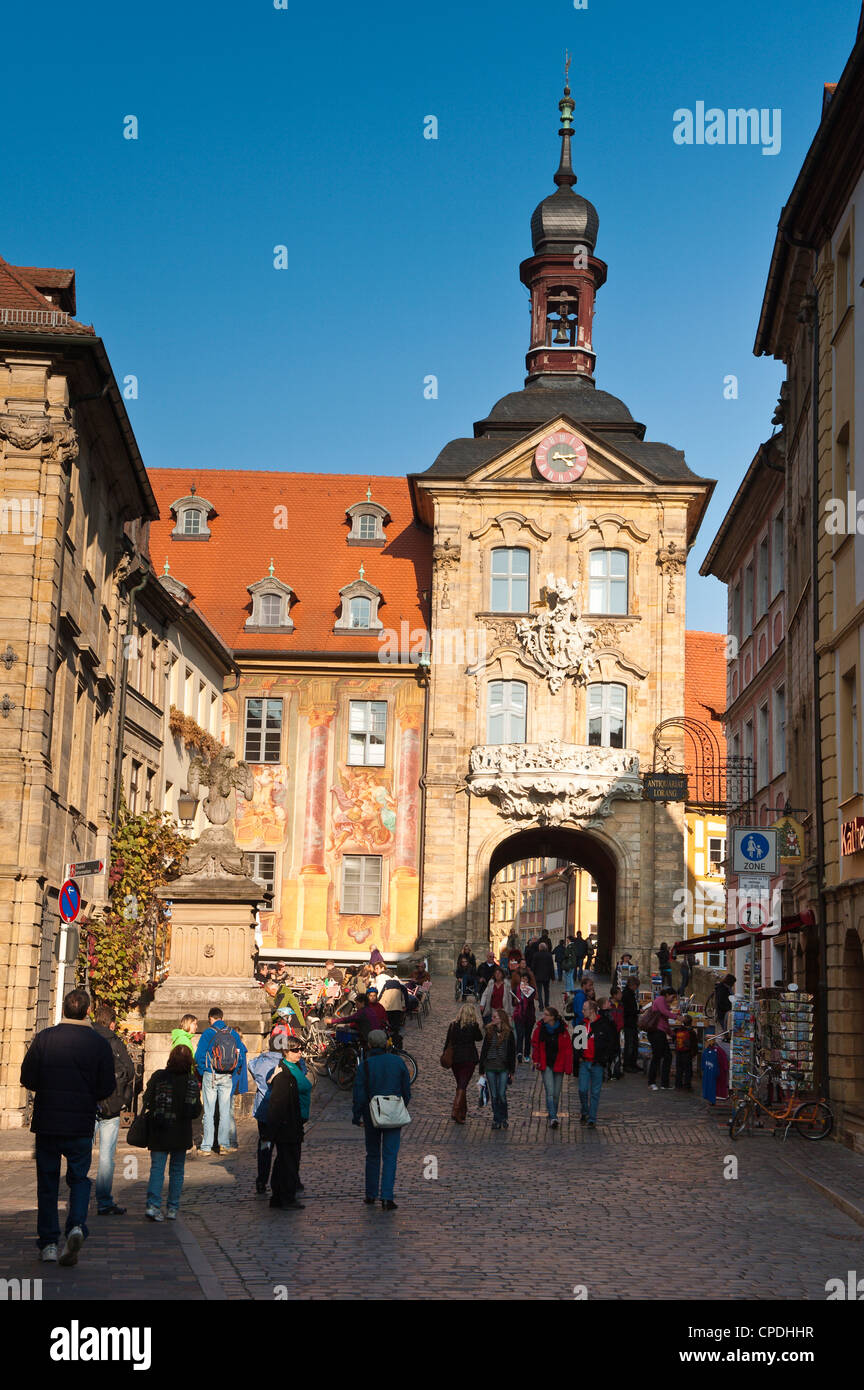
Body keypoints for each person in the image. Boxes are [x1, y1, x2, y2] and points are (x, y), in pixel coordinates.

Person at [20, 988, 115, 1265]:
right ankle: (75, 1225)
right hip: (80, 1122)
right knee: (79, 1179)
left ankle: (49, 1243)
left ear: (63, 1009)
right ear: (87, 1011)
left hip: (48, 1122)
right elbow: (107, 1086)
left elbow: (28, 1077)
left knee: (48, 1184)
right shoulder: (97, 1044)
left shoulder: (45, 1038)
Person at [352, 1029, 412, 1209]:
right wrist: (400, 1106)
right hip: (392, 1111)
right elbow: (406, 1091)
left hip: (372, 1113)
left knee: (372, 1155)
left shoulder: (366, 1065)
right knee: (390, 1155)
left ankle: (371, 1194)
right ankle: (387, 1196)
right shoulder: (398, 1062)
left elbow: (359, 1094)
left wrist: (357, 1115)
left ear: (369, 1045)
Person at [142, 1044, 202, 1221]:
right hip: (180, 1132)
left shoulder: (159, 1076)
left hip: (159, 1129)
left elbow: (146, 1100)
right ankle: (172, 1208)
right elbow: (195, 1111)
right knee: (176, 1171)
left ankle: (153, 1205)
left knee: (157, 1169)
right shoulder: (190, 1081)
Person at [91, 1003, 135, 1217]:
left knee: (81, 1153)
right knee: (106, 1157)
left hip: (87, 1103)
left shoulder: (86, 1038)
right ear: (111, 1023)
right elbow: (130, 1070)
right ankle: (104, 1201)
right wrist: (123, 1098)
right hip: (111, 1104)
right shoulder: (114, 1042)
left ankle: (77, 1194)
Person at [265, 1038, 312, 1210]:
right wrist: (274, 1129)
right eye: (296, 1050)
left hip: (294, 1120)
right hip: (288, 1122)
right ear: (286, 1052)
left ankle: (281, 1196)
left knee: (286, 1160)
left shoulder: (295, 1068)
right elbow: (277, 1103)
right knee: (288, 1161)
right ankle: (285, 1197)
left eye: (301, 1049)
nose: (300, 1052)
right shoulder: (284, 1073)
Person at [194, 1007, 248, 1154]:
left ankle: (206, 1147)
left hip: (210, 1075)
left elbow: (198, 1056)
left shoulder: (208, 1033)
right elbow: (240, 1055)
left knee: (209, 1112)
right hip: (227, 1076)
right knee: (225, 1112)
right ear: (222, 1018)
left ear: (210, 1018)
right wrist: (232, 1071)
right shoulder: (233, 1033)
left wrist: (203, 1071)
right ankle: (224, 1145)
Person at [248, 1031, 286, 1195]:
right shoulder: (286, 1063)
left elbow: (251, 1064)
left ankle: (262, 1180)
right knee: (285, 1147)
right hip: (282, 1112)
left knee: (265, 1146)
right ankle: (285, 1180)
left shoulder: (260, 1061)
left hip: (264, 1111)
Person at [574, 1000, 618, 1127]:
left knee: (595, 1092)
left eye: (584, 1009)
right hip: (585, 1063)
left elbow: (611, 1043)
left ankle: (592, 1118)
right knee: (582, 1090)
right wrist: (579, 1056)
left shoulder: (604, 1025)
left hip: (597, 1063)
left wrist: (605, 1058)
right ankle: (585, 1110)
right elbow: (576, 1045)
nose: (582, 1011)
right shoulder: (582, 1025)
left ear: (592, 1011)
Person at [531, 1006, 572, 1128]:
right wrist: (536, 1060)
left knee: (556, 1093)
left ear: (553, 1017)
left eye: (546, 1015)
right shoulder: (540, 1030)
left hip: (559, 1063)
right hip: (546, 1064)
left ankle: (552, 1112)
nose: (544, 1017)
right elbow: (535, 1046)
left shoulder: (562, 1030)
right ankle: (554, 1117)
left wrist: (568, 1066)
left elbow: (568, 1049)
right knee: (550, 1091)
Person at [443, 1002, 483, 1123]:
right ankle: (456, 1110)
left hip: (456, 1059)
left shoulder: (453, 1025)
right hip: (468, 1059)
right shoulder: (473, 1025)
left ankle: (462, 1112)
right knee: (462, 1085)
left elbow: (447, 1042)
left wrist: (445, 1054)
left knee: (461, 1085)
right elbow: (479, 1038)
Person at [479, 1009, 516, 1130]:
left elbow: (511, 1053)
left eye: (495, 1017)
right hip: (490, 1067)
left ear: (501, 1018)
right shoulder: (489, 1031)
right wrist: (481, 1070)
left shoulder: (509, 1033)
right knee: (494, 1095)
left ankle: (504, 1118)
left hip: (503, 1068)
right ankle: (496, 1119)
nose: (492, 1019)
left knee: (501, 1094)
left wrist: (512, 1071)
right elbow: (484, 1050)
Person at [647, 987, 679, 1091]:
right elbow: (665, 1013)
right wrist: (677, 1017)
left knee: (667, 1056)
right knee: (657, 1057)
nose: (672, 1000)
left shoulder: (665, 1003)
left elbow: (665, 1022)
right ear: (667, 994)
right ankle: (651, 1082)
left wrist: (671, 1033)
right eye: (672, 997)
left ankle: (665, 1083)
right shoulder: (660, 1000)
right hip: (656, 1033)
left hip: (660, 1033)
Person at [378, 973, 409, 1051]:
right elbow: (405, 995)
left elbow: (381, 995)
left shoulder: (386, 985)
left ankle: (386, 1043)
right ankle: (395, 1045)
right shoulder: (400, 986)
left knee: (387, 1026)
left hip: (386, 1008)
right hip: (397, 1008)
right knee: (395, 1028)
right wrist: (406, 1006)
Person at [511, 970, 536, 1062]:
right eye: (522, 979)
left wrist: (525, 991)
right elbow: (513, 1002)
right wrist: (515, 1001)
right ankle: (519, 1053)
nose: (524, 981)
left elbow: (530, 1000)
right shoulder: (516, 989)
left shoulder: (531, 990)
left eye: (526, 980)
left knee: (527, 1035)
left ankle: (526, 1053)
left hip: (529, 1016)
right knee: (519, 1034)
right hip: (518, 1015)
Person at [673, 1013, 699, 1091]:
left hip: (679, 1052)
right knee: (688, 1070)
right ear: (691, 1022)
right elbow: (694, 1044)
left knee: (679, 1069)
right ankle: (687, 1085)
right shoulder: (692, 1032)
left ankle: (678, 1085)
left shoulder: (678, 1029)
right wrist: (694, 1053)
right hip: (687, 1053)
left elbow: (674, 1038)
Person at [621, 975, 641, 1071]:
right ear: (632, 985)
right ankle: (627, 1064)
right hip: (629, 1022)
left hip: (631, 1021)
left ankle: (632, 1063)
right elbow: (628, 1010)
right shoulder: (627, 995)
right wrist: (638, 1011)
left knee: (634, 1043)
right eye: (636, 986)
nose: (636, 988)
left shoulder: (630, 993)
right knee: (629, 1044)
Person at [604, 988, 624, 1080]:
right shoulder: (608, 1005)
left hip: (618, 1031)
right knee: (610, 1051)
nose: (621, 995)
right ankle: (608, 1071)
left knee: (617, 1051)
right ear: (614, 995)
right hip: (610, 1032)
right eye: (619, 994)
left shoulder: (621, 1005)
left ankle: (617, 1071)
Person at [531, 941, 555, 1011]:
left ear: (539, 948)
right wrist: (552, 977)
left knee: (539, 991)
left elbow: (533, 966)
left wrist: (533, 974)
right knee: (547, 991)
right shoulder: (549, 955)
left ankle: (541, 1006)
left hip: (538, 976)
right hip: (547, 976)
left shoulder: (536, 955)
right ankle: (547, 1004)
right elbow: (551, 966)